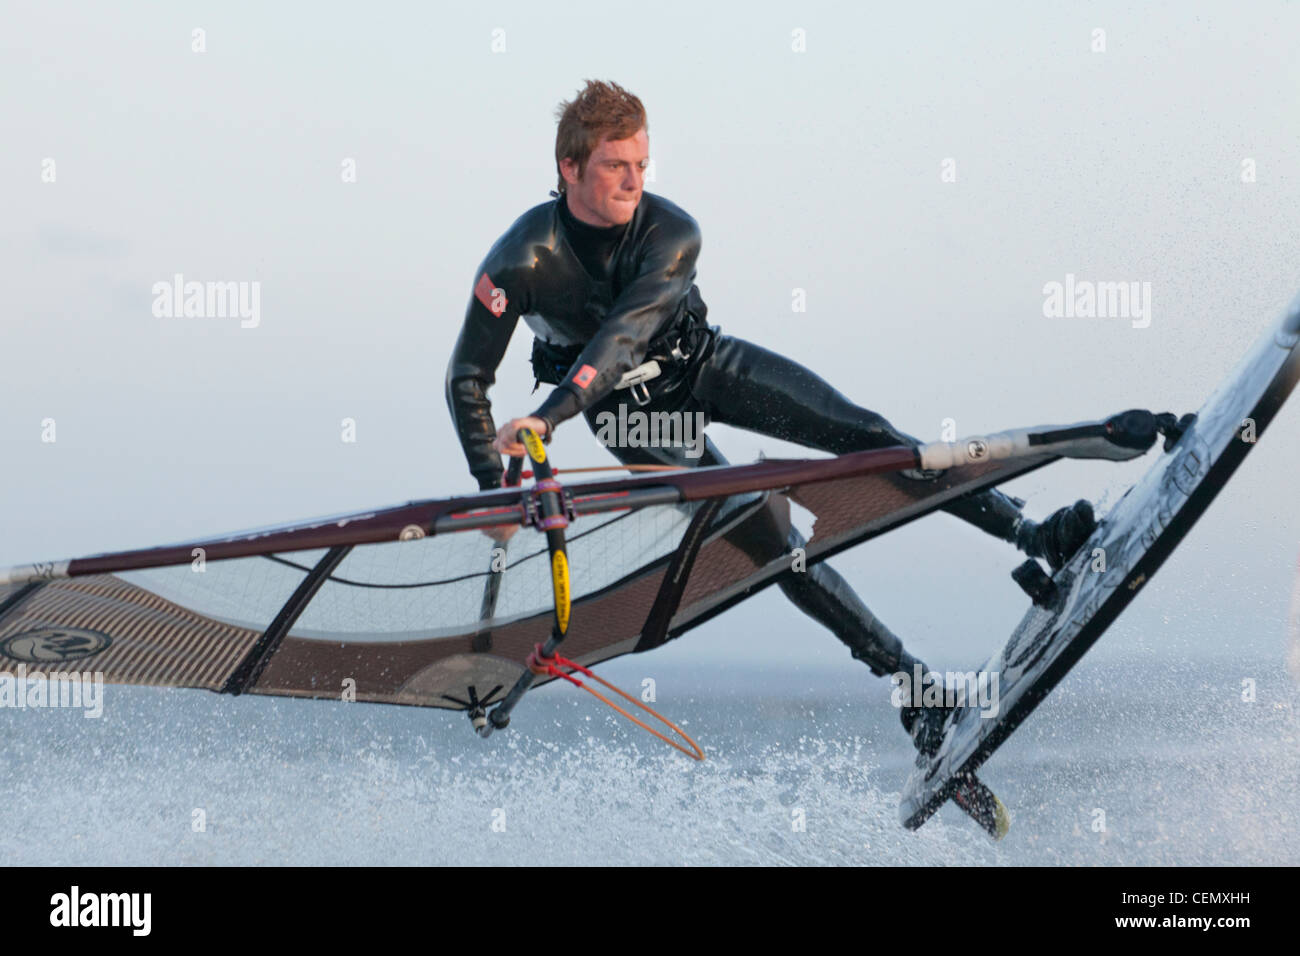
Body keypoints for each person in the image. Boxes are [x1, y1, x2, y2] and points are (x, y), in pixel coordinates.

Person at [446, 80, 1095, 753]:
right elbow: (467, 377)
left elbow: (620, 340)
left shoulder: (673, 232)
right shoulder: (521, 260)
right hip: (629, 419)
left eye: (642, 164)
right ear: (570, 168)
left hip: (701, 364)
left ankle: (1032, 535)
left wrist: (548, 417)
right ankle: (915, 686)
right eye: (616, 165)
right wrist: (494, 490)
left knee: (869, 437)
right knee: (775, 548)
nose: (633, 181)